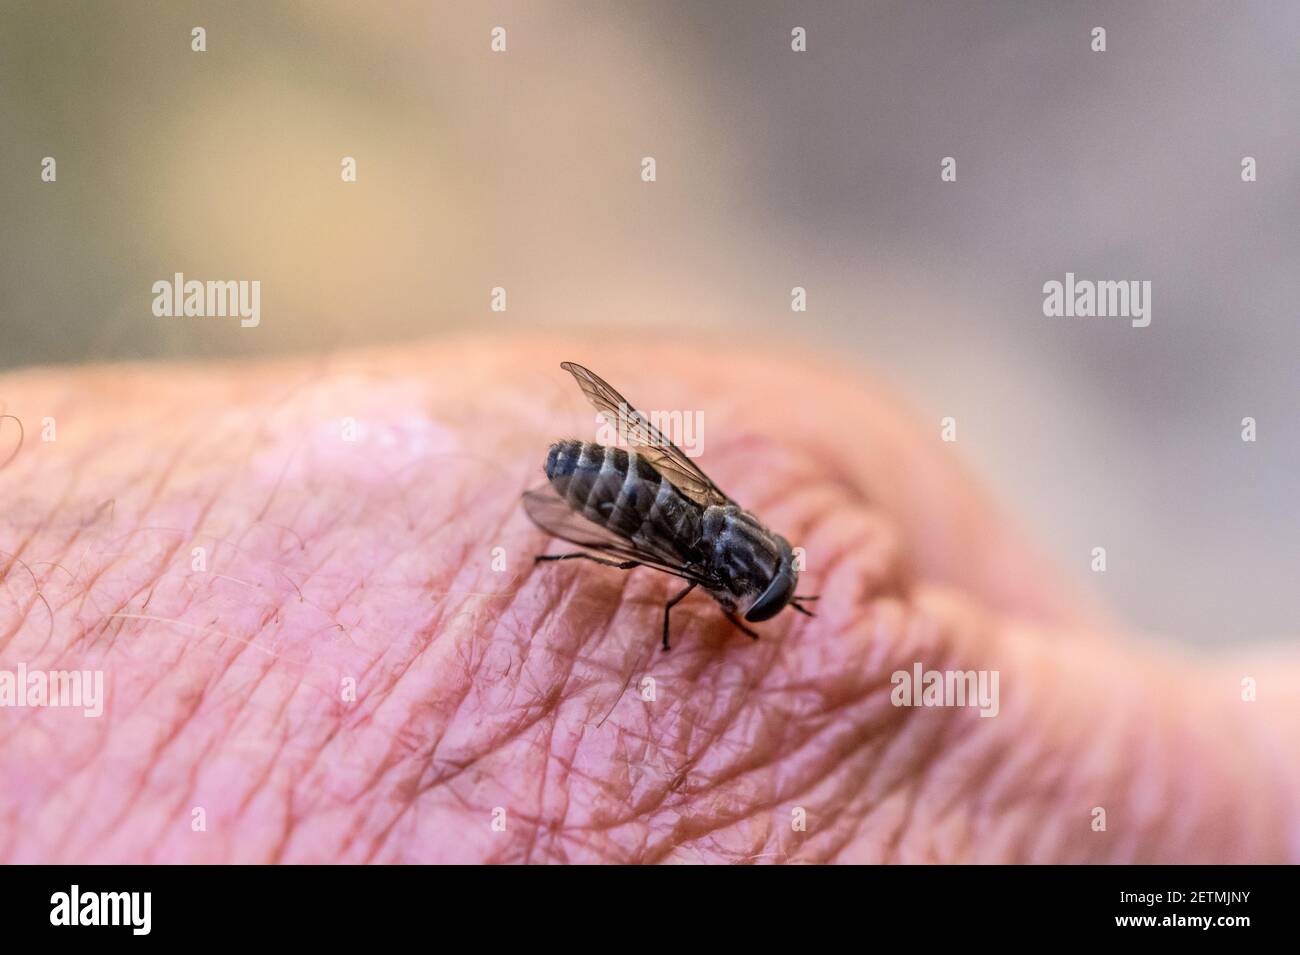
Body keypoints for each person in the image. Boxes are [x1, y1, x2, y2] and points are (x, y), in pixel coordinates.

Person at [0, 336, 1294, 863]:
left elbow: (672, 484)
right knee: (623, 558)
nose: (778, 597)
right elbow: (658, 570)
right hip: (612, 496)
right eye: (772, 589)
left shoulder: (737, 539)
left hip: (640, 479)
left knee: (644, 530)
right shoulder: (715, 583)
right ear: (755, 567)